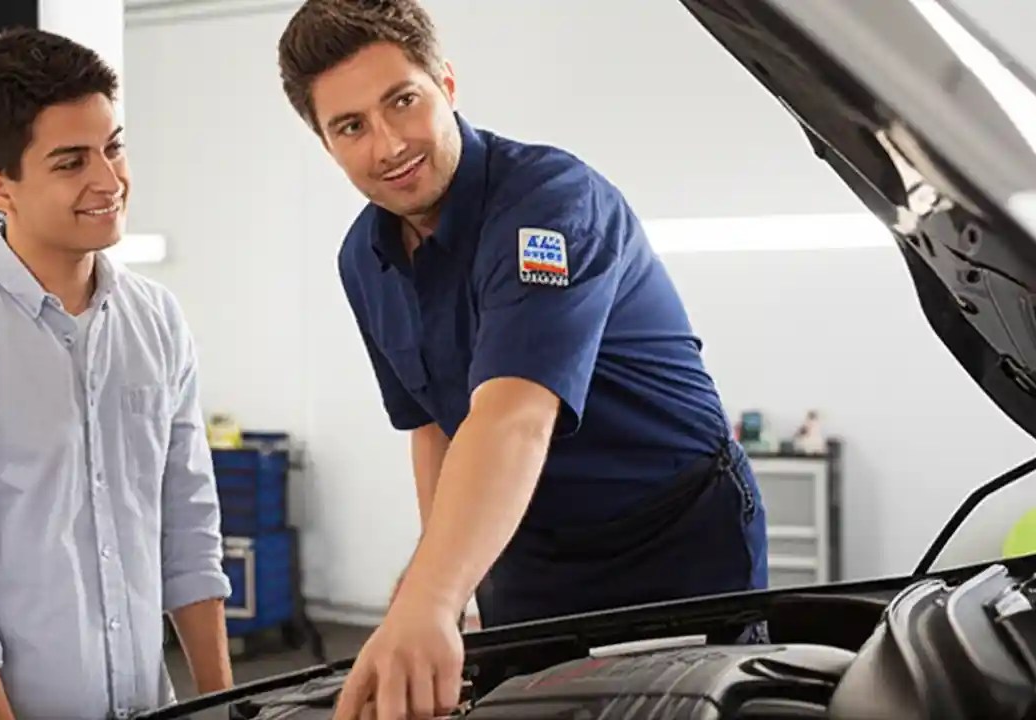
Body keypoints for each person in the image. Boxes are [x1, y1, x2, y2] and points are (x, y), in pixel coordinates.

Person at [276, 1, 769, 717]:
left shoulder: (550, 204)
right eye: (350, 127)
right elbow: (433, 428)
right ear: (327, 145)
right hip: (527, 553)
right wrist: (443, 582)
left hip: (671, 537)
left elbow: (511, 416)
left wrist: (430, 595)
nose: (387, 145)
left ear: (446, 84)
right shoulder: (364, 260)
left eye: (402, 101)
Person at [0, 28, 234, 720]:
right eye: (71, 162)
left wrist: (225, 704)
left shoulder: (157, 321)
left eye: (114, 146)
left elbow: (187, 528)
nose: (109, 180)